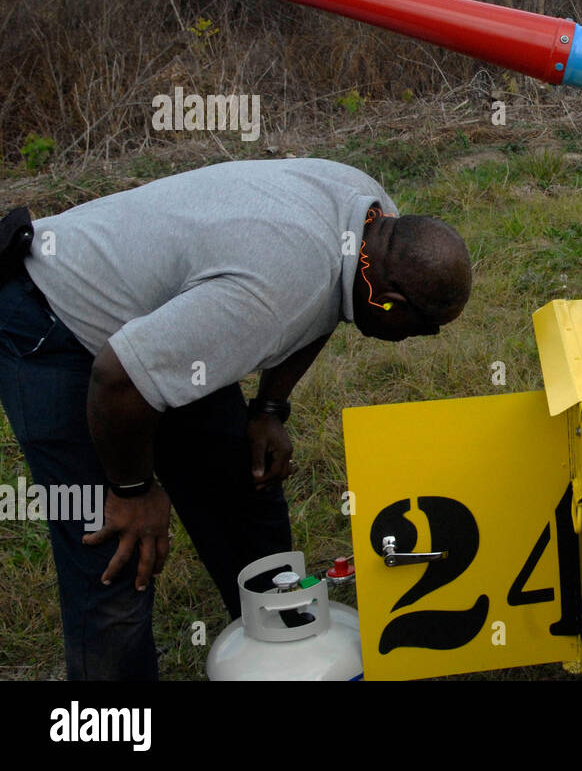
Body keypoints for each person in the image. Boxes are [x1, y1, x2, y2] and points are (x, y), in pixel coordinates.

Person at [0, 157, 471, 680]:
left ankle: (282, 654)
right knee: (115, 555)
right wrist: (133, 490)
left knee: (239, 488)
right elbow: (119, 378)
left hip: (170, 312)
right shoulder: (271, 293)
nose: (413, 341)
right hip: (55, 321)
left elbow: (330, 303)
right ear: (390, 303)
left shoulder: (372, 218)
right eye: (420, 329)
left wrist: (270, 408)